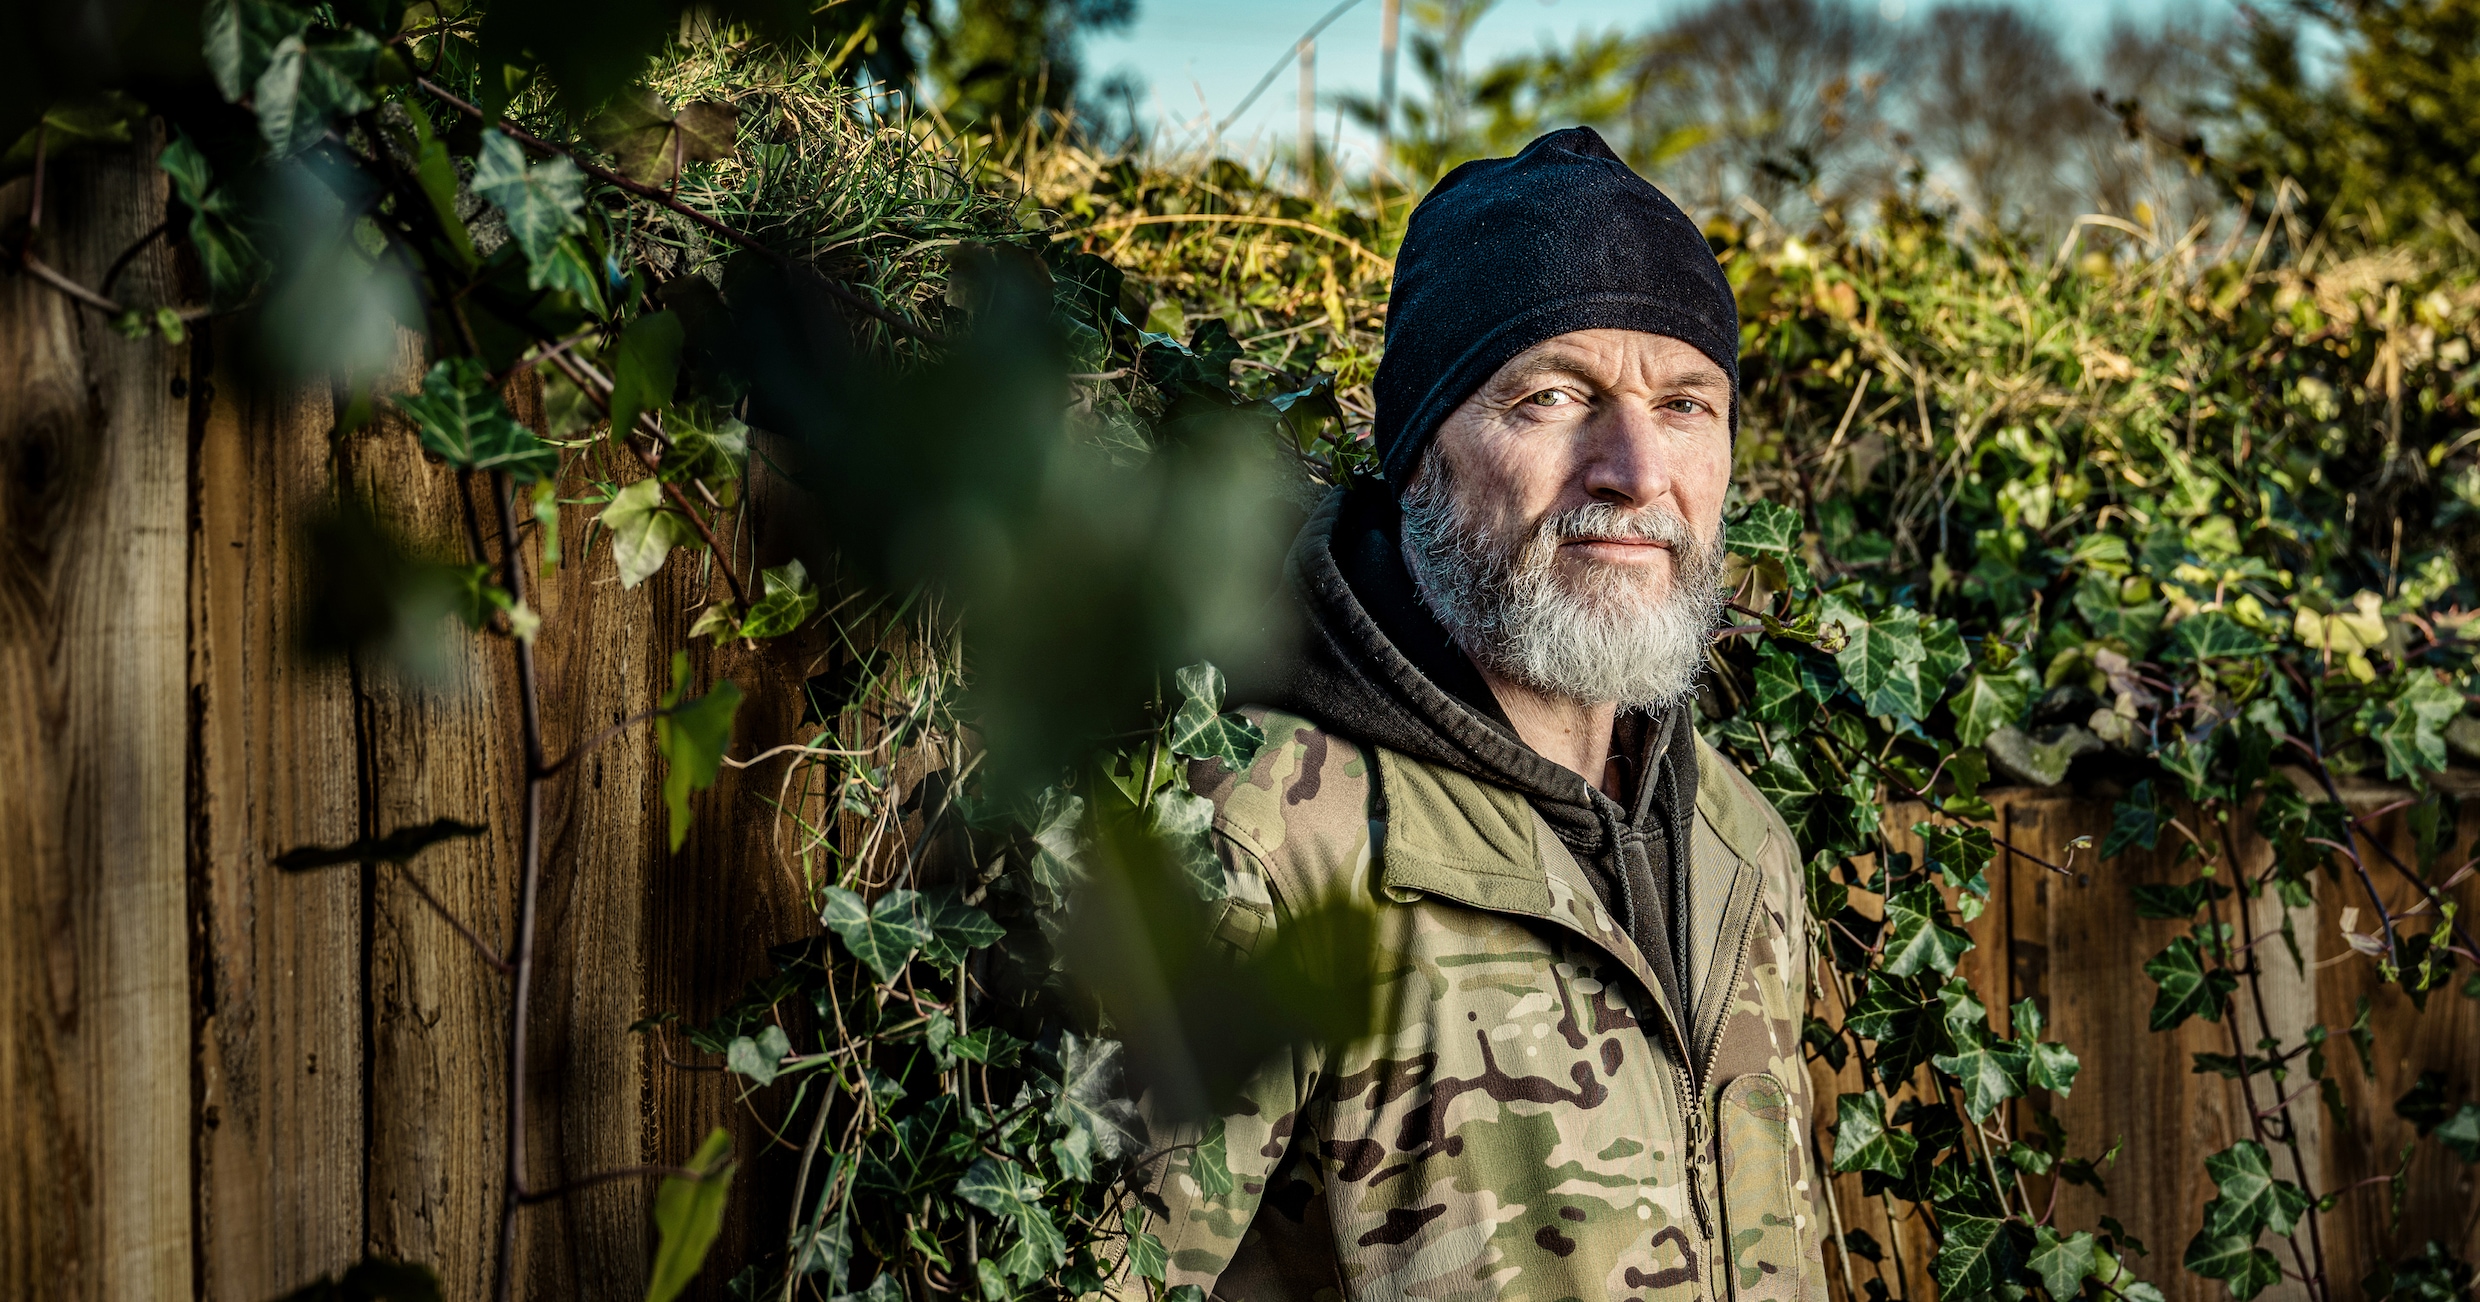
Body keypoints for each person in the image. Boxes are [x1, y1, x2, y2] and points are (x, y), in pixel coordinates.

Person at [1134, 127, 1826, 1301]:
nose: (1633, 468)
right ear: (1416, 455)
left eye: (1686, 403)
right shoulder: (1256, 848)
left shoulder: (1742, 846)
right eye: (1553, 393)